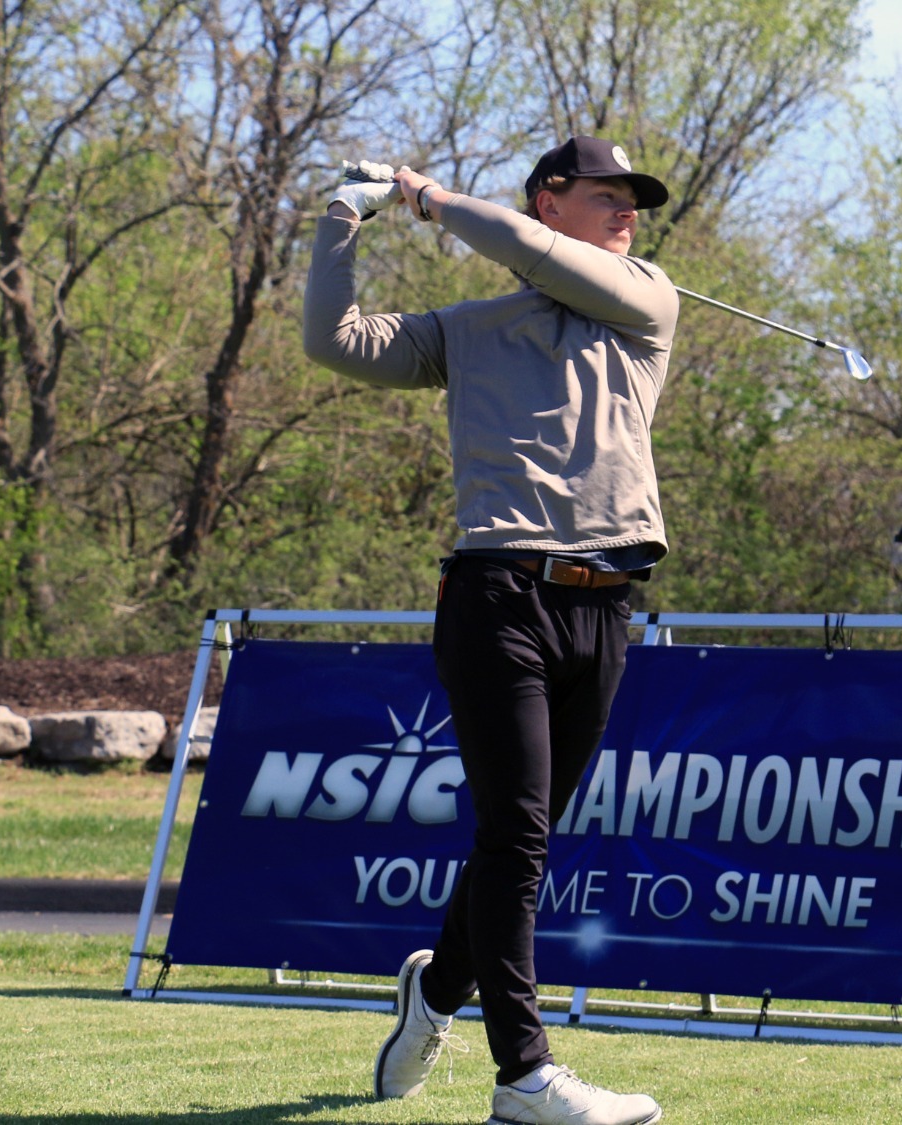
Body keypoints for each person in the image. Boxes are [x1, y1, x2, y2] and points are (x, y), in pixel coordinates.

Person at [302, 136, 675, 1125]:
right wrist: (346, 215)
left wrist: (427, 197)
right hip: (496, 596)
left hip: (604, 602)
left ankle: (433, 993)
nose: (626, 211)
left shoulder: (645, 299)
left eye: (633, 200)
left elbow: (526, 251)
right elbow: (335, 341)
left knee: (527, 835)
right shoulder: (468, 330)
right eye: (606, 195)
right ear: (551, 200)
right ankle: (524, 1077)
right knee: (514, 835)